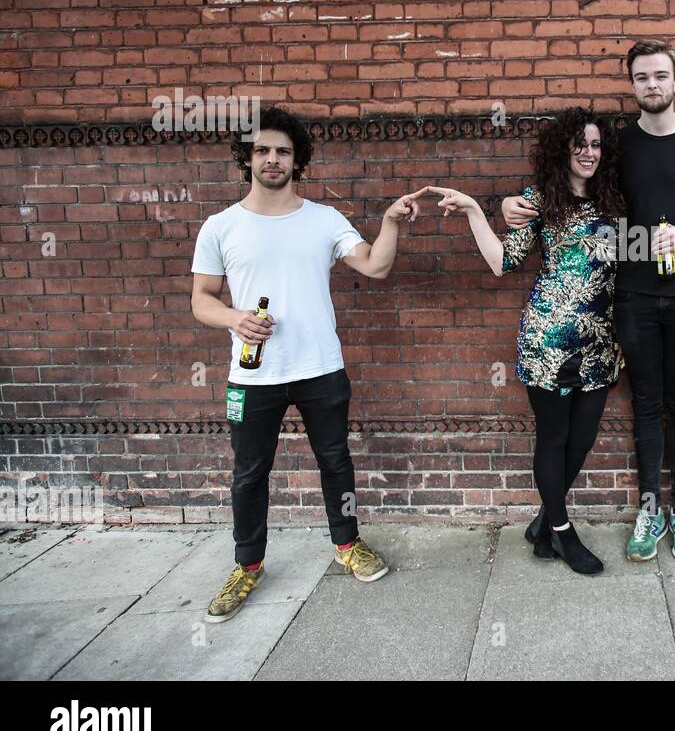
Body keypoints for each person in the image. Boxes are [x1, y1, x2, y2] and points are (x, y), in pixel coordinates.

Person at [192, 107, 431, 622]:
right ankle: (248, 565)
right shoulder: (221, 226)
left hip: (320, 368)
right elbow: (202, 300)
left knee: (335, 461)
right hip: (253, 375)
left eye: (282, 150)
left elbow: (375, 264)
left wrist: (390, 222)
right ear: (247, 157)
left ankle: (348, 545)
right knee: (249, 474)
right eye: (262, 150)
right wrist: (234, 318)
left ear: (297, 159)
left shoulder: (324, 220)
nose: (272, 159)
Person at [501, 40, 675, 563]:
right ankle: (649, 510)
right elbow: (568, 187)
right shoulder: (618, 146)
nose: (652, 85)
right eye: (642, 77)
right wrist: (512, 203)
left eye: (661, 76)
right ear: (633, 85)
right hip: (632, 299)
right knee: (646, 405)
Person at [429, 108, 624, 575]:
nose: (588, 152)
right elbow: (503, 262)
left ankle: (542, 525)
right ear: (564, 149)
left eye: (596, 145)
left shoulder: (614, 200)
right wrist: (480, 209)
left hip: (600, 342)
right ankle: (560, 532)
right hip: (549, 341)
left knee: (583, 438)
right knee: (554, 438)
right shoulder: (540, 200)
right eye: (580, 144)